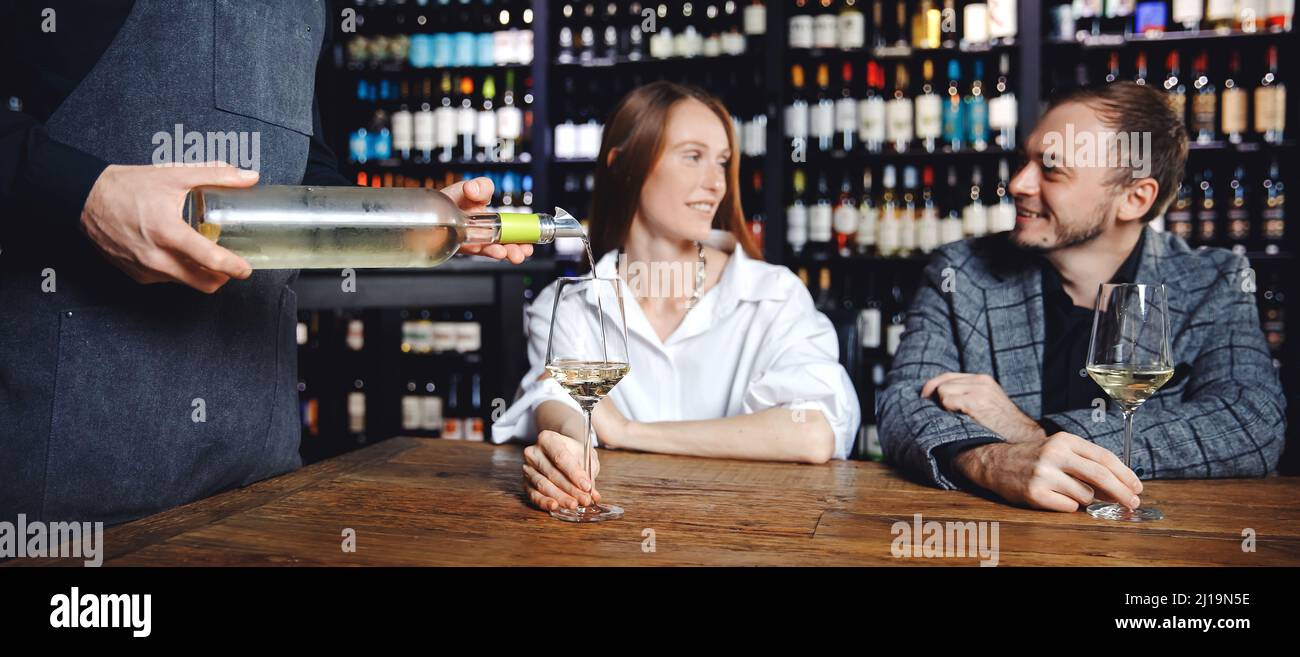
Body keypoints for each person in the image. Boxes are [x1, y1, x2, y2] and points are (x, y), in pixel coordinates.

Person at [0, 1, 530, 524]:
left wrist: (408, 221)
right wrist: (86, 197)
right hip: (68, 472)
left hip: (258, 470)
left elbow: (304, 174)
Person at [877, 81, 1285, 512]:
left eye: (1051, 168)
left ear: (1133, 198)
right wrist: (989, 460)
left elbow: (1254, 424)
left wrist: (1031, 434)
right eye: (1024, 162)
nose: (1018, 183)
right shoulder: (960, 271)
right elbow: (901, 405)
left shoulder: (1212, 281)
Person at [491, 82, 860, 513]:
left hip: (748, 533)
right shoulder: (569, 305)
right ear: (624, 164)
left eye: (722, 162)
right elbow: (553, 400)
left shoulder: (772, 294)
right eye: (692, 157)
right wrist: (567, 453)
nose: (716, 184)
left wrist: (627, 431)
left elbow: (813, 432)